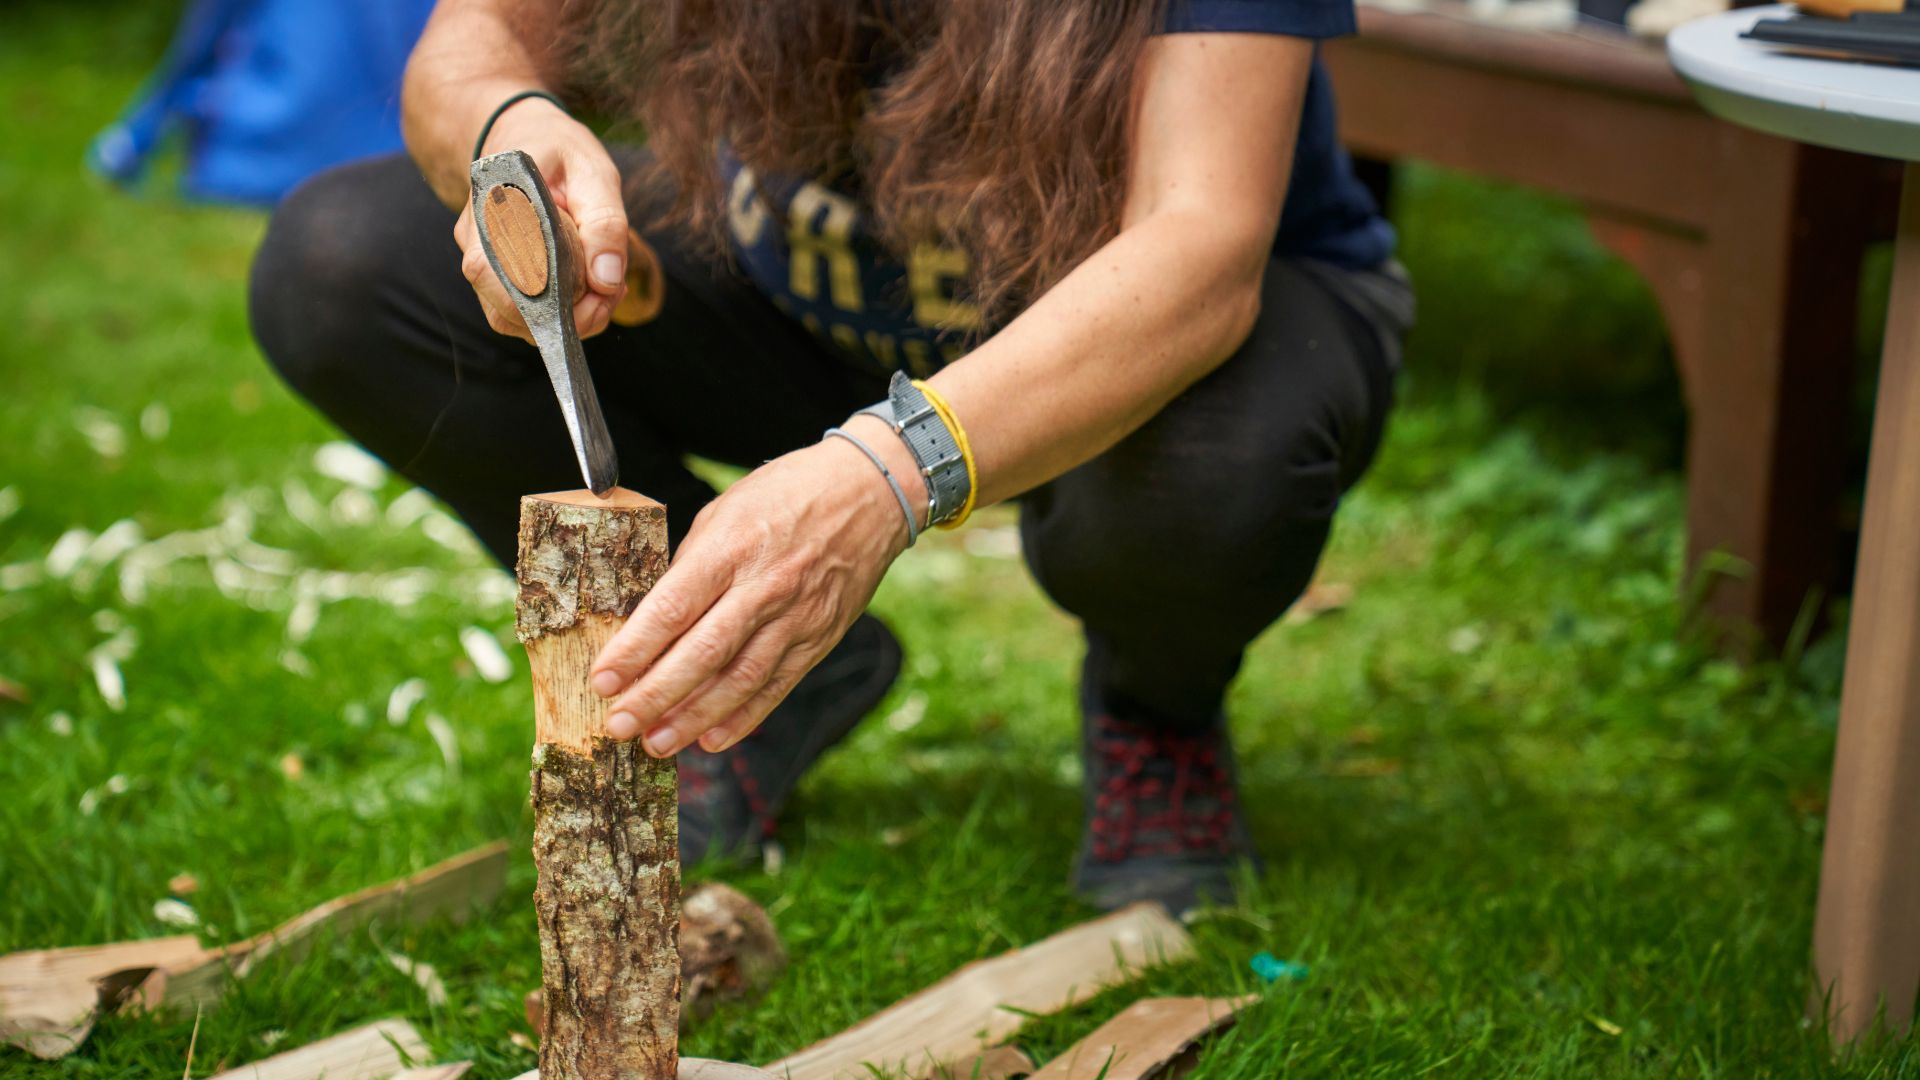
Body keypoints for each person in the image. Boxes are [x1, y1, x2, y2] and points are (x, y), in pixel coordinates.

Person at [249, 0, 1411, 915]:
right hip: (819, 290)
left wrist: (883, 474)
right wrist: (512, 134)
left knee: (1214, 470)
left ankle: (1158, 711)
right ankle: (750, 670)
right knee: (341, 264)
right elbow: (470, 40)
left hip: (1171, 322)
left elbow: (1201, 244)